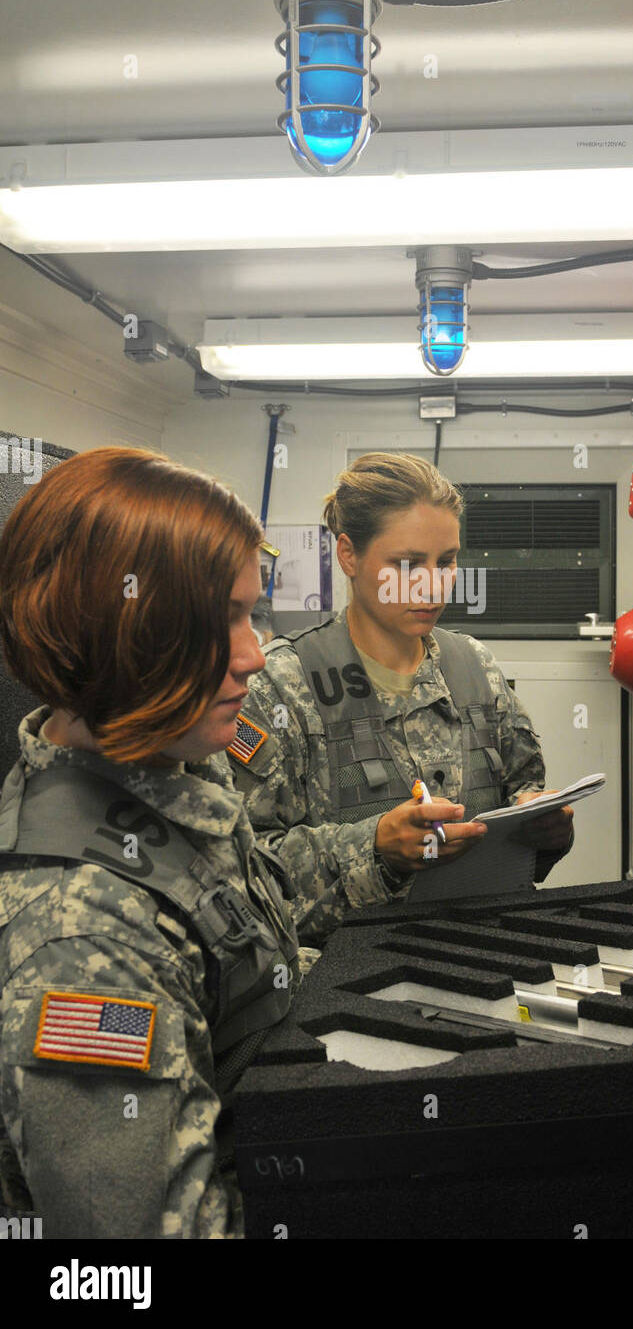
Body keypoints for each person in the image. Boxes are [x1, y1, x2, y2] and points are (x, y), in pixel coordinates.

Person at [0, 447, 301, 1239]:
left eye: (251, 613)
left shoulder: (174, 767)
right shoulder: (81, 933)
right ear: (123, 631)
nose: (253, 656)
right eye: (218, 623)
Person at [230, 452, 575, 948]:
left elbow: (526, 793)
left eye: (447, 562)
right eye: (407, 564)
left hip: (482, 959)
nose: (432, 584)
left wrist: (547, 832)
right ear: (348, 555)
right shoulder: (281, 685)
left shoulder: (475, 669)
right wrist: (373, 849)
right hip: (345, 987)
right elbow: (244, 876)